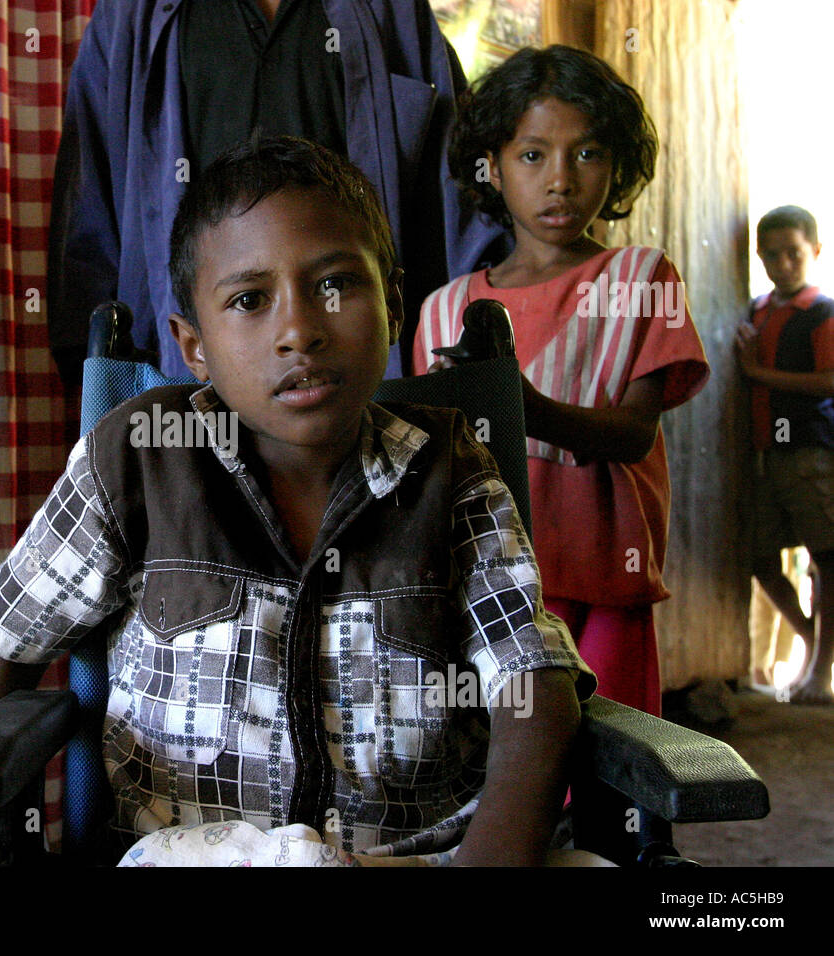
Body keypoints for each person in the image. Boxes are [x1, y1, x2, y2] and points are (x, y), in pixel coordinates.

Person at [0, 137, 595, 867]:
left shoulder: (449, 469)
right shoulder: (140, 457)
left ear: (394, 303)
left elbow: (532, 684)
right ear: (193, 346)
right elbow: (10, 640)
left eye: (336, 284)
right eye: (250, 300)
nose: (300, 331)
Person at [413, 46, 709, 717]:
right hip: (489, 590)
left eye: (587, 153)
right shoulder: (443, 311)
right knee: (516, 774)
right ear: (490, 166)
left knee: (614, 763)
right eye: (532, 155)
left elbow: (633, 434)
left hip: (609, 576)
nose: (561, 181)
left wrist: (525, 409)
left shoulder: (640, 278)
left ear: (618, 164)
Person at [45, 0, 509, 388]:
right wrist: (93, 365)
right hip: (184, 366)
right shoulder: (134, 15)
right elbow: (89, 197)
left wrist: (478, 331)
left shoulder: (390, 8)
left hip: (352, 354)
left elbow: (456, 189)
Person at [736, 204, 834, 704]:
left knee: (827, 558)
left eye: (793, 253)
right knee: (758, 555)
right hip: (767, 454)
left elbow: (830, 380)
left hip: (810, 452)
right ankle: (811, 636)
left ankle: (821, 669)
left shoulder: (822, 311)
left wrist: (760, 374)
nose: (782, 264)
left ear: (815, 252)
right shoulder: (757, 311)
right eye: (771, 255)